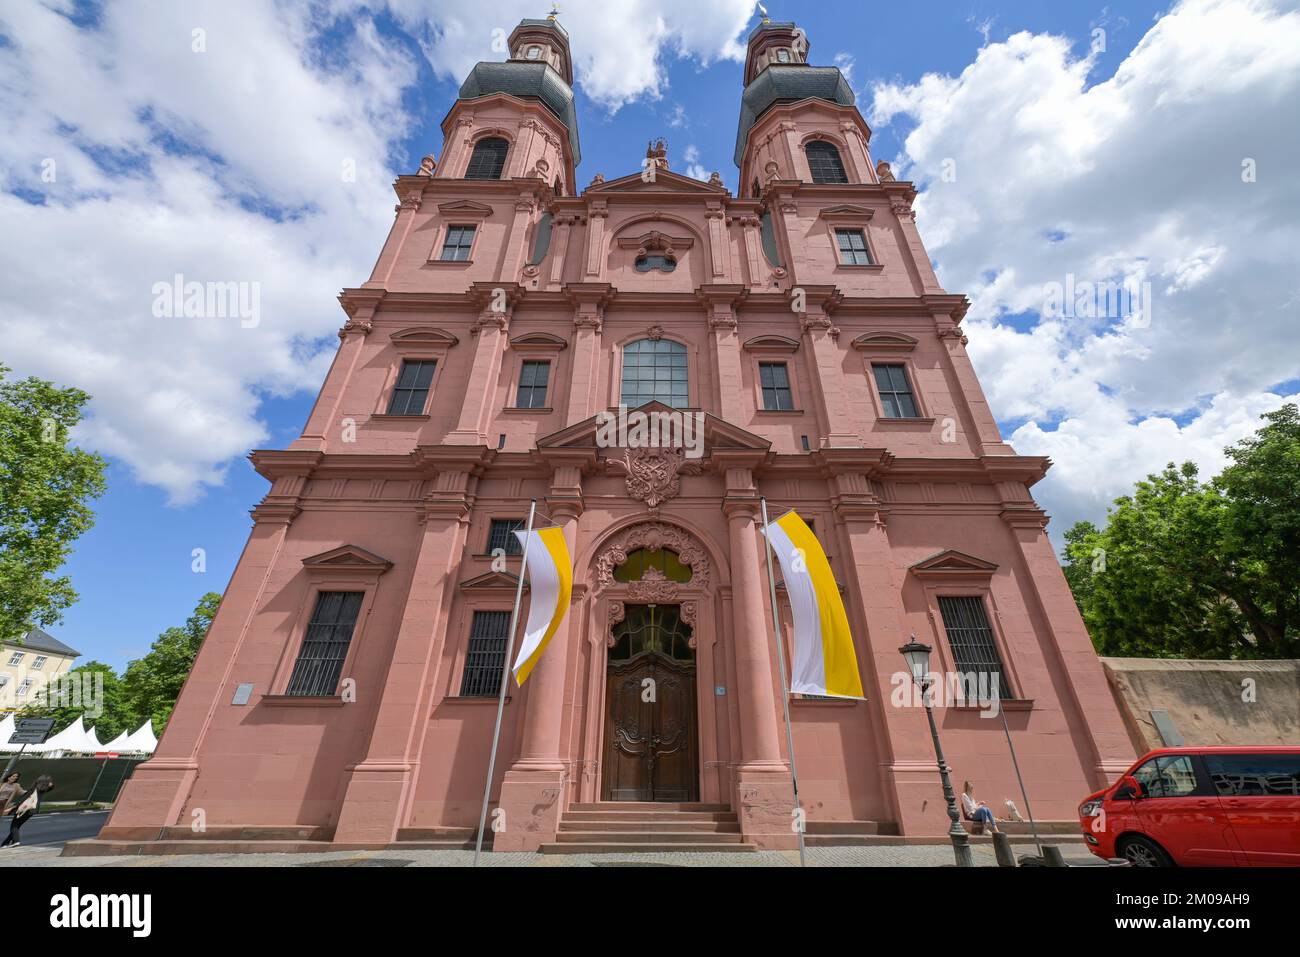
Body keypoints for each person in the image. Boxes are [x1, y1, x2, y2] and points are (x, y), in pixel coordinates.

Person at [1, 774, 53, 848]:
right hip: (32, 810)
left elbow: (23, 799)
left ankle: (16, 841)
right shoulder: (42, 791)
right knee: (17, 826)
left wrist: (12, 808)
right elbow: (50, 787)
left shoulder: (33, 789)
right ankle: (6, 843)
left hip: (24, 809)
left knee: (14, 826)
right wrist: (51, 785)